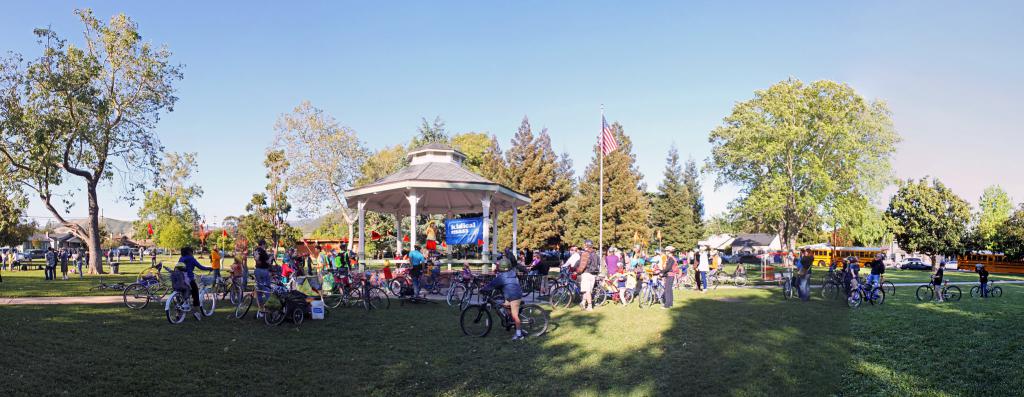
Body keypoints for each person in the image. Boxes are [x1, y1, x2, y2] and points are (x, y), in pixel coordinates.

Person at [176, 246, 212, 319]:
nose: (193, 253)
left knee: (181, 295)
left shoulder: (181, 258)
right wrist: (209, 268)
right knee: (195, 295)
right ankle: (197, 312)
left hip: (180, 279)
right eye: (192, 252)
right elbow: (201, 267)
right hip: (189, 280)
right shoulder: (191, 259)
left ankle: (178, 314)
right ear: (189, 252)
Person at [576, 240, 601, 311]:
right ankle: (583, 303)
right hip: (593, 274)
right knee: (587, 290)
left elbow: (582, 266)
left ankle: (590, 306)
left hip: (586, 273)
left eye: (584, 244)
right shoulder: (596, 254)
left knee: (587, 291)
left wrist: (577, 272)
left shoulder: (585, 253)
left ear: (586, 245)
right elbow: (598, 264)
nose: (583, 245)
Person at [253, 240, 272, 312]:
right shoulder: (263, 251)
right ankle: (269, 307)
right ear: (263, 244)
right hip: (263, 270)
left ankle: (260, 307)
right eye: (265, 245)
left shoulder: (255, 250)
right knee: (267, 289)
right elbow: (268, 262)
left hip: (257, 270)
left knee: (259, 289)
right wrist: (271, 257)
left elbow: (257, 259)